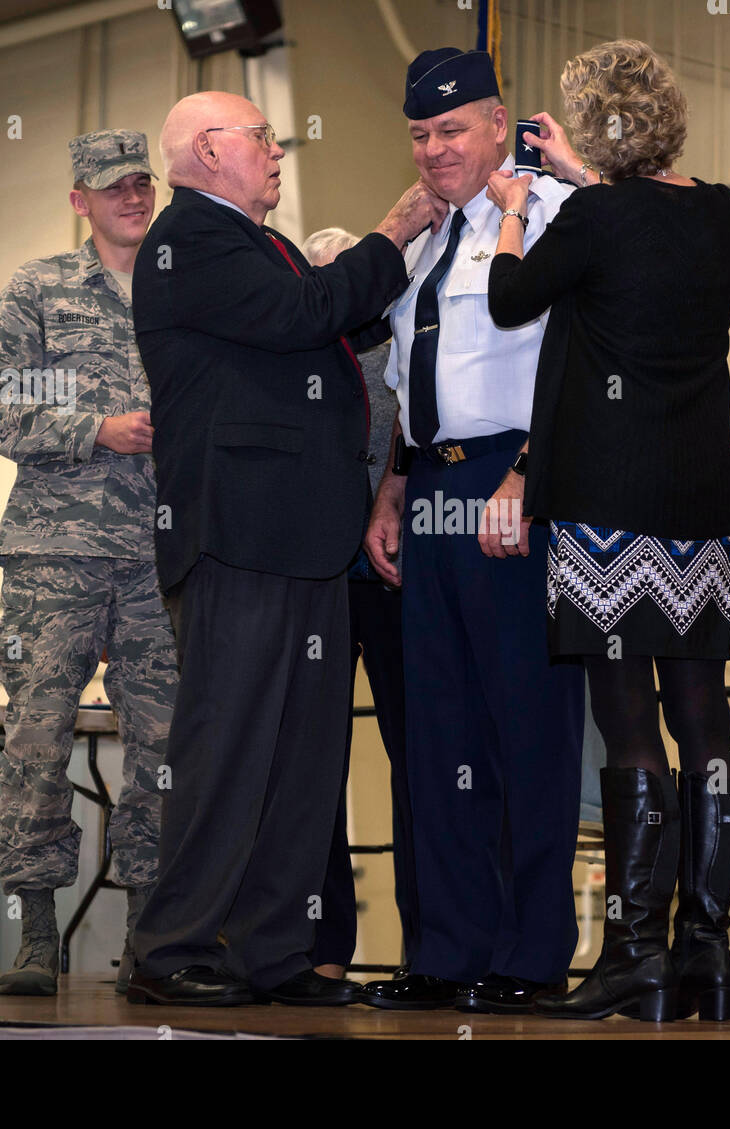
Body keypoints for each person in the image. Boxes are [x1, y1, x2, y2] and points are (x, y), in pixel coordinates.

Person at [125, 91, 444, 1008]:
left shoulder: (254, 243)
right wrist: (394, 230)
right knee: (226, 748)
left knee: (304, 762)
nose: (277, 151)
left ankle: (275, 949)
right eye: (261, 137)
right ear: (208, 150)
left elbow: (329, 324)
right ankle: (172, 947)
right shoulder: (190, 240)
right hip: (241, 535)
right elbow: (309, 311)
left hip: (303, 539)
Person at [485, 39, 730, 1022]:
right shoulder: (720, 212)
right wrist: (586, 174)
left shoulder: (590, 217)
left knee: (628, 721)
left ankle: (636, 955)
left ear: (595, 131)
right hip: (700, 502)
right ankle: (707, 955)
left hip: (607, 503)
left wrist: (516, 212)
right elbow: (645, 226)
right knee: (704, 719)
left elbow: (511, 300)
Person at [361, 48, 586, 1015]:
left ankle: (531, 954)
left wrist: (531, 473)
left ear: (500, 124)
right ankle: (449, 950)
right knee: (438, 729)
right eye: (419, 134)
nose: (434, 149)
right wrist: (391, 488)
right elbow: (410, 380)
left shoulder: (552, 214)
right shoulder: (422, 239)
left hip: (513, 479)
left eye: (452, 130)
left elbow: (582, 355)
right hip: (430, 487)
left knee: (527, 726)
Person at [0, 129, 177, 997]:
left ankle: (149, 935)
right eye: (112, 186)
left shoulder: (185, 284)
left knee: (164, 743)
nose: (132, 196)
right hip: (55, 555)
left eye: (141, 181)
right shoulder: (42, 288)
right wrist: (94, 429)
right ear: (79, 200)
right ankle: (36, 931)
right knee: (38, 736)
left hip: (159, 554)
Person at [300, 227, 418, 981]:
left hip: (399, 576)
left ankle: (428, 952)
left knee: (420, 762)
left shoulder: (404, 345)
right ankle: (322, 953)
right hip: (319, 582)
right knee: (316, 765)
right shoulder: (300, 351)